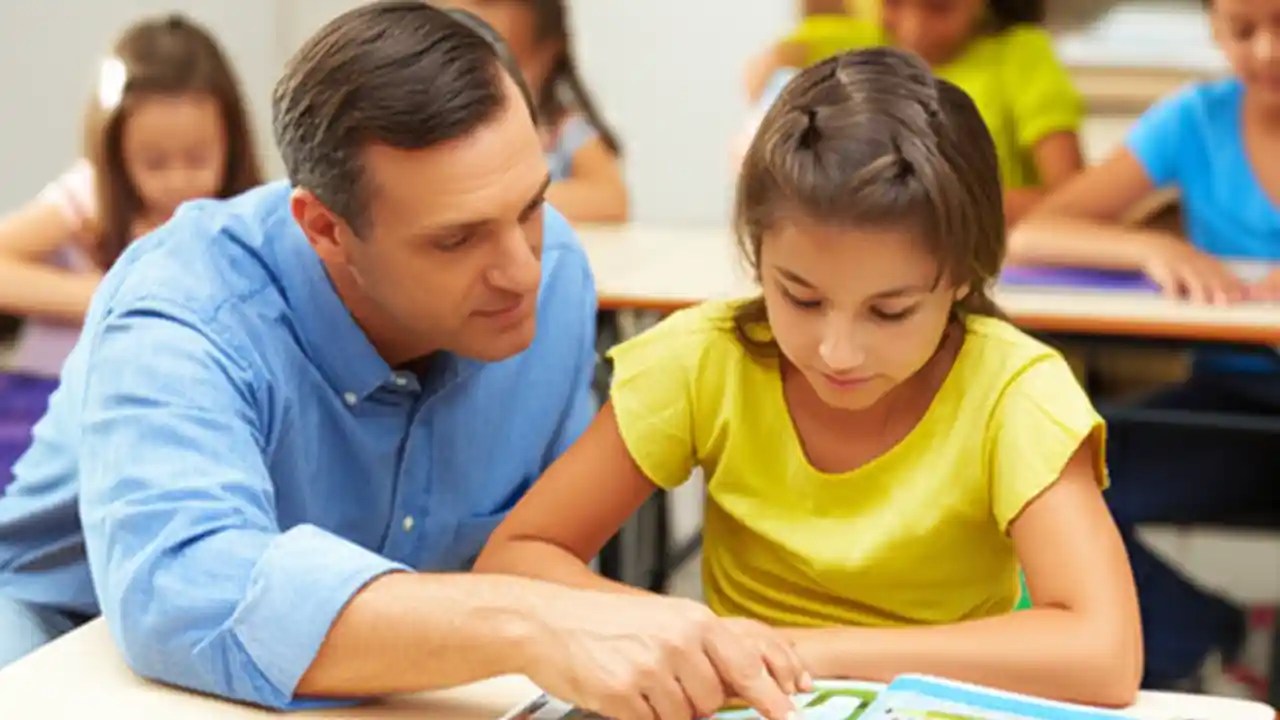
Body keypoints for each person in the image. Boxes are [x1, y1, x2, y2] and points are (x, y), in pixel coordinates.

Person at [0, 5, 801, 718]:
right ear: (325, 228)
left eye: (530, 207)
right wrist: (527, 622)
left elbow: (535, 568)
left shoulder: (551, 279)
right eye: (456, 239)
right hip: (74, 655)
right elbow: (185, 591)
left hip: (395, 688)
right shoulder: (186, 303)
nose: (522, 270)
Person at [477, 48, 1143, 707]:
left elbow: (1104, 654)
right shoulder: (703, 360)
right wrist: (687, 631)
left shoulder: (1013, 392)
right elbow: (517, 559)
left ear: (965, 274)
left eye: (891, 311)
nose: (837, 351)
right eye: (798, 296)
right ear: (756, 251)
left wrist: (807, 650)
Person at [1010, 0, 1280, 690]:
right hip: (1234, 402)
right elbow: (1033, 233)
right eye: (1243, 31)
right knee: (1054, 478)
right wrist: (1147, 243)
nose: (1267, 52)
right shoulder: (1197, 120)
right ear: (1215, 31)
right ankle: (1203, 634)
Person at [0, 14, 262, 490]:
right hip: (46, 408)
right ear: (116, 152)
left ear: (232, 142)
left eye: (198, 158)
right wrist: (107, 293)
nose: (179, 180)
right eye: (154, 163)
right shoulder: (91, 201)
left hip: (170, 418)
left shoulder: (246, 222)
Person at [738, 0, 1083, 224]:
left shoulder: (1022, 55)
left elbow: (1073, 196)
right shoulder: (859, 40)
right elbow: (766, 67)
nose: (913, 28)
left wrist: (932, 205)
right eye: (894, 3)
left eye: (940, 8)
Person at [445, 0, 627, 223]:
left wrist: (505, 200)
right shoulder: (426, 135)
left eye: (502, 64)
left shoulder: (559, 130)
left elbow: (611, 200)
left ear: (546, 56)